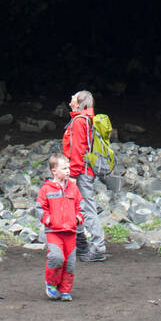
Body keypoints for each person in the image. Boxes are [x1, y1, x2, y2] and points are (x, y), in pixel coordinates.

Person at [62, 90, 108, 261]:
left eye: (74, 96)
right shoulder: (86, 119)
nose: (71, 97)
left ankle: (98, 247)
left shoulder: (78, 122)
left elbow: (77, 150)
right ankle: (81, 244)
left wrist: (72, 174)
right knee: (77, 206)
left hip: (81, 172)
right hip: (85, 170)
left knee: (86, 208)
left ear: (79, 102)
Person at [35, 152, 83, 300]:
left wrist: (78, 218)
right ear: (54, 171)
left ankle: (66, 290)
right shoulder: (46, 189)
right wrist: (47, 219)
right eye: (64, 168)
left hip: (70, 231)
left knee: (70, 263)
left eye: (68, 168)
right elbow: (39, 207)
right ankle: (51, 283)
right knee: (56, 257)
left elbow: (81, 206)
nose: (68, 171)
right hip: (54, 231)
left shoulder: (73, 188)